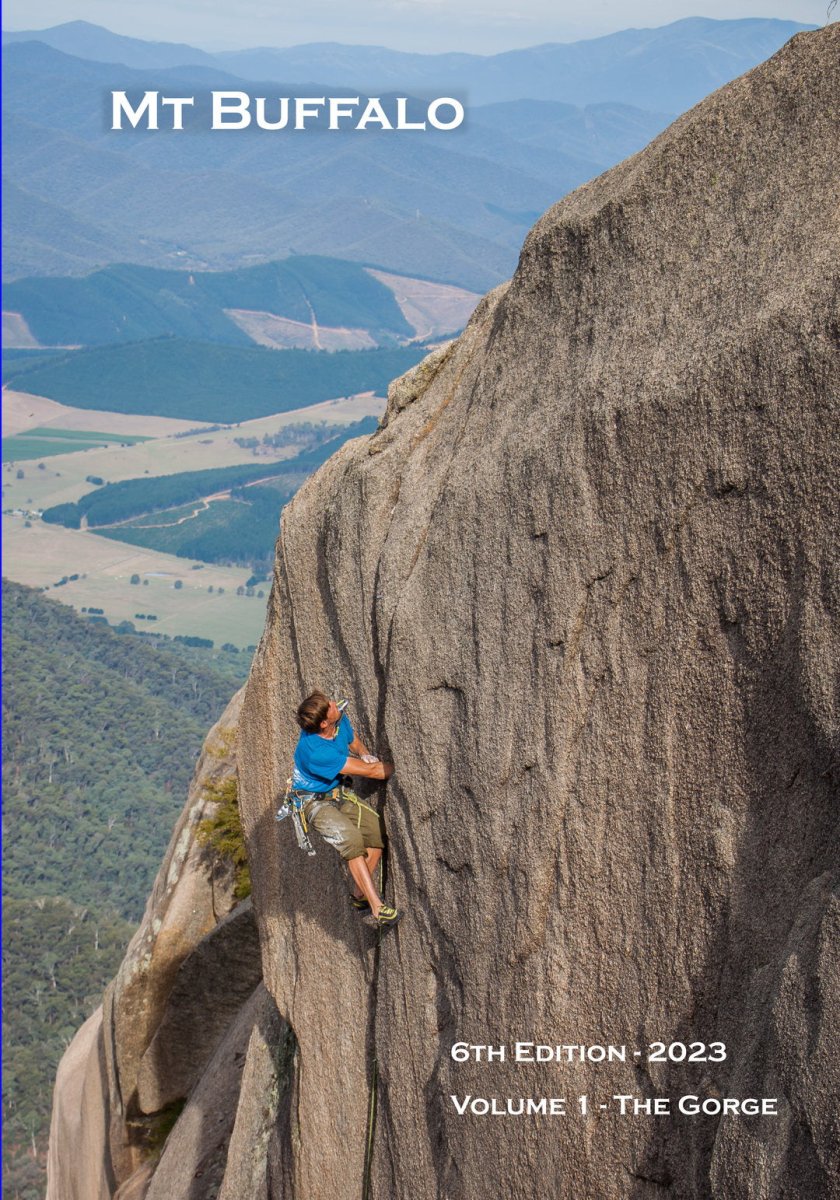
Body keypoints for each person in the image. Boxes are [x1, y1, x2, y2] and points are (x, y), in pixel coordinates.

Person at [292, 690, 400, 928]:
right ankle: (378, 908)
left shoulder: (337, 719)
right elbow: (371, 772)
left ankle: (359, 895)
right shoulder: (316, 752)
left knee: (375, 835)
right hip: (313, 802)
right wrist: (403, 770)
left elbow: (350, 738)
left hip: (338, 793)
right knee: (351, 841)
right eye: (329, 705)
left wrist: (364, 753)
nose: (334, 703)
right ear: (323, 723)